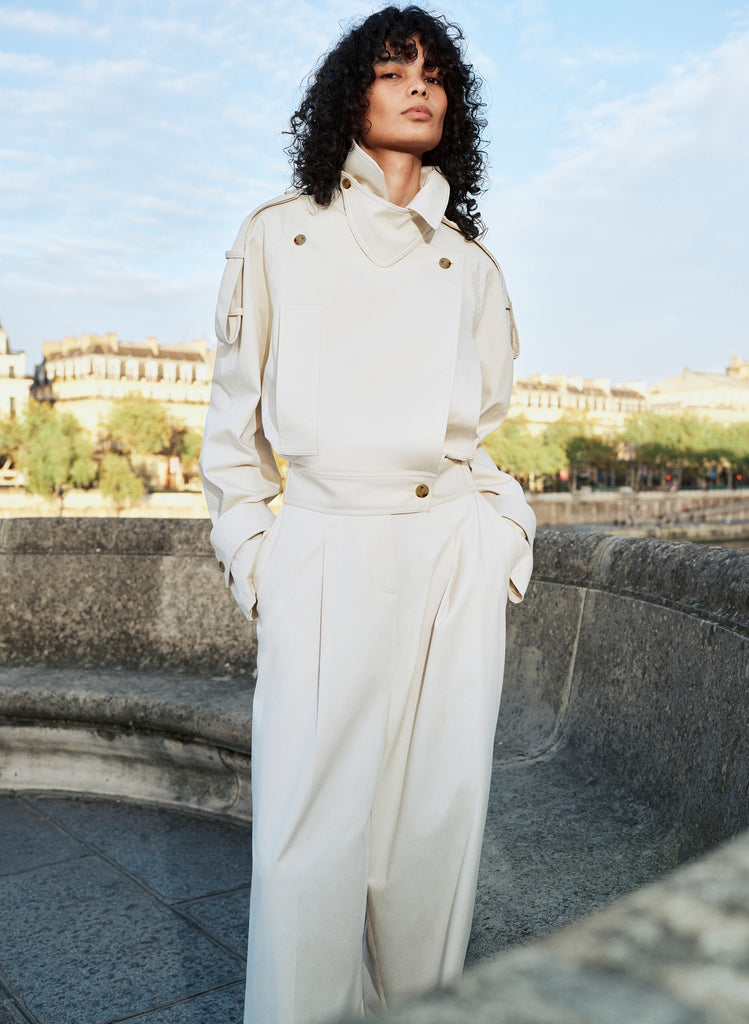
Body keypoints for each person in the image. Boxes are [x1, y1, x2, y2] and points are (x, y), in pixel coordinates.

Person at [199, 6, 535, 1023]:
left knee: (432, 842)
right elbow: (232, 435)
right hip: (324, 549)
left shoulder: (471, 266)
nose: (418, 85)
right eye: (393, 69)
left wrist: (501, 540)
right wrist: (261, 562)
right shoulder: (278, 234)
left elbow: (479, 429)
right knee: (304, 851)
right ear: (352, 95)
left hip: (450, 558)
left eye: (433, 72)